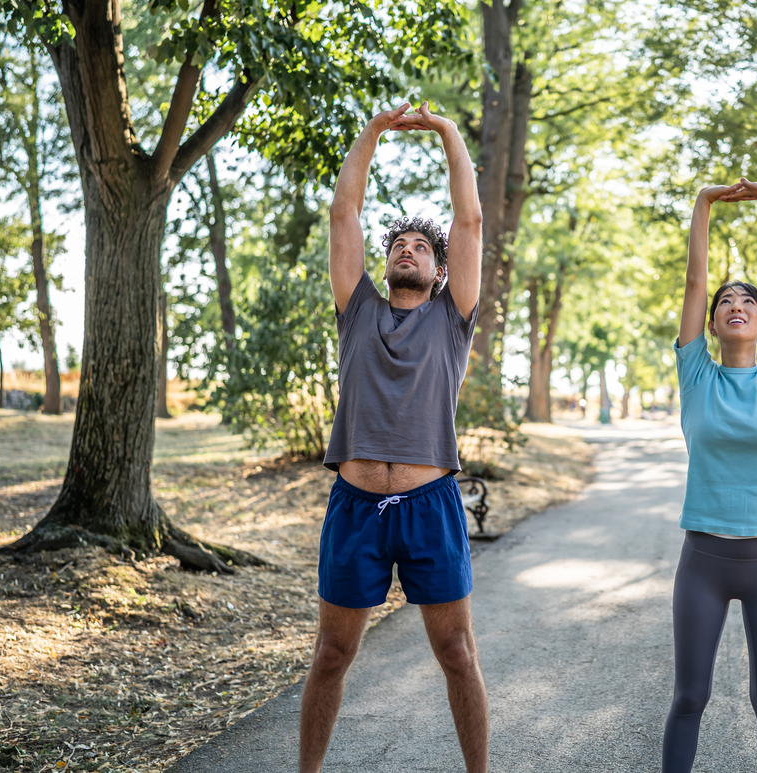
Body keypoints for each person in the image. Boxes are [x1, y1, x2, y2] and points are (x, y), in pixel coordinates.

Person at [299, 102, 486, 773]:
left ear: (440, 271)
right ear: (383, 266)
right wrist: (373, 130)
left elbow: (469, 220)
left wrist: (446, 131)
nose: (407, 250)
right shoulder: (358, 310)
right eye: (397, 246)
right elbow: (342, 215)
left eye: (421, 249)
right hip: (353, 509)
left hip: (429, 505)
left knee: (457, 654)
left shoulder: (452, 318)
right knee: (331, 654)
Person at [662, 178, 757, 773]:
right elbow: (695, 279)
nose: (736, 305)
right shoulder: (696, 373)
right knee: (690, 698)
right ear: (713, 323)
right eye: (726, 303)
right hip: (705, 562)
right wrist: (704, 203)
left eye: (748, 302)